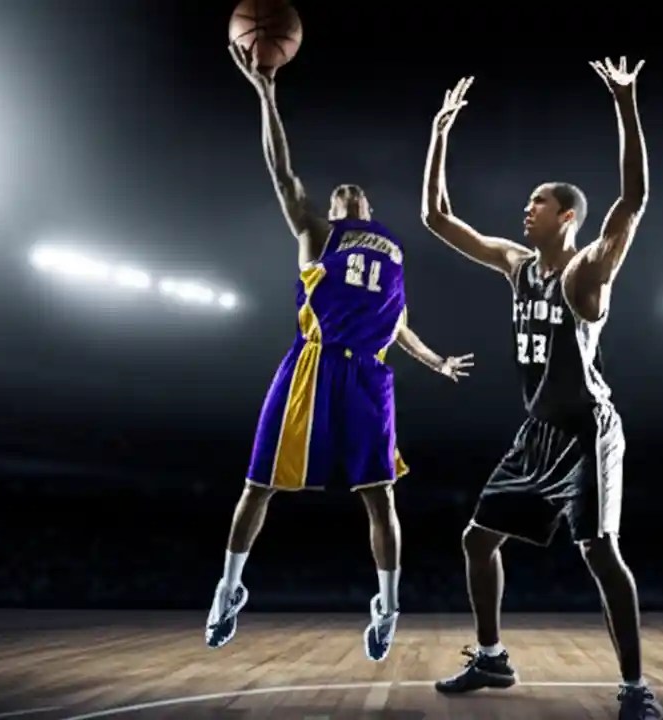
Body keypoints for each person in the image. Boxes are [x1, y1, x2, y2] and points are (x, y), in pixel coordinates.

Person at [205, 40, 475, 663]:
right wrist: (266, 93)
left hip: (369, 376)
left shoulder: (394, 249)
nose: (345, 194)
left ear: (370, 209)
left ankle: (388, 606)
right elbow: (281, 171)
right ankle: (228, 589)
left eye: (354, 195)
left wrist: (433, 360)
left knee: (380, 496)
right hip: (311, 365)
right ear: (329, 211)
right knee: (258, 485)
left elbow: (398, 322)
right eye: (336, 195)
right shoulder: (316, 231)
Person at [420, 60, 663, 718]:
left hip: (587, 430)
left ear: (566, 216)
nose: (524, 210)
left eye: (536, 202)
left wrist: (625, 103)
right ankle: (493, 658)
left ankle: (637, 690)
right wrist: (440, 133)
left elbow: (633, 203)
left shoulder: (587, 271)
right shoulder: (515, 264)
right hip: (538, 432)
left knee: (600, 552)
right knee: (477, 540)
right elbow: (436, 218)